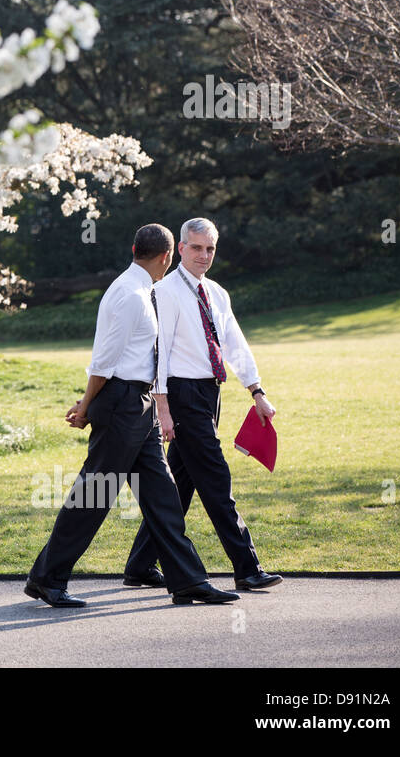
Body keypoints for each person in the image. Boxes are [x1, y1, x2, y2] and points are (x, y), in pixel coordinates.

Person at [25, 224, 239, 607]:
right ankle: (47, 577)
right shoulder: (131, 295)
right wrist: (87, 405)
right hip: (122, 403)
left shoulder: (141, 290)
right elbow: (104, 360)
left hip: (139, 405)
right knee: (94, 493)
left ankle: (188, 580)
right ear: (166, 257)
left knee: (163, 497)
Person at [123, 218, 282, 593]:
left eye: (210, 248)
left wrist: (256, 391)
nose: (204, 255)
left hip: (210, 393)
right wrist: (162, 406)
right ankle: (246, 566)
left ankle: (140, 565)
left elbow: (235, 344)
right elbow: (157, 355)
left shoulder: (217, 293)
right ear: (180, 249)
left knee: (180, 484)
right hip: (180, 395)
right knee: (216, 478)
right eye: (196, 247)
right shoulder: (166, 292)